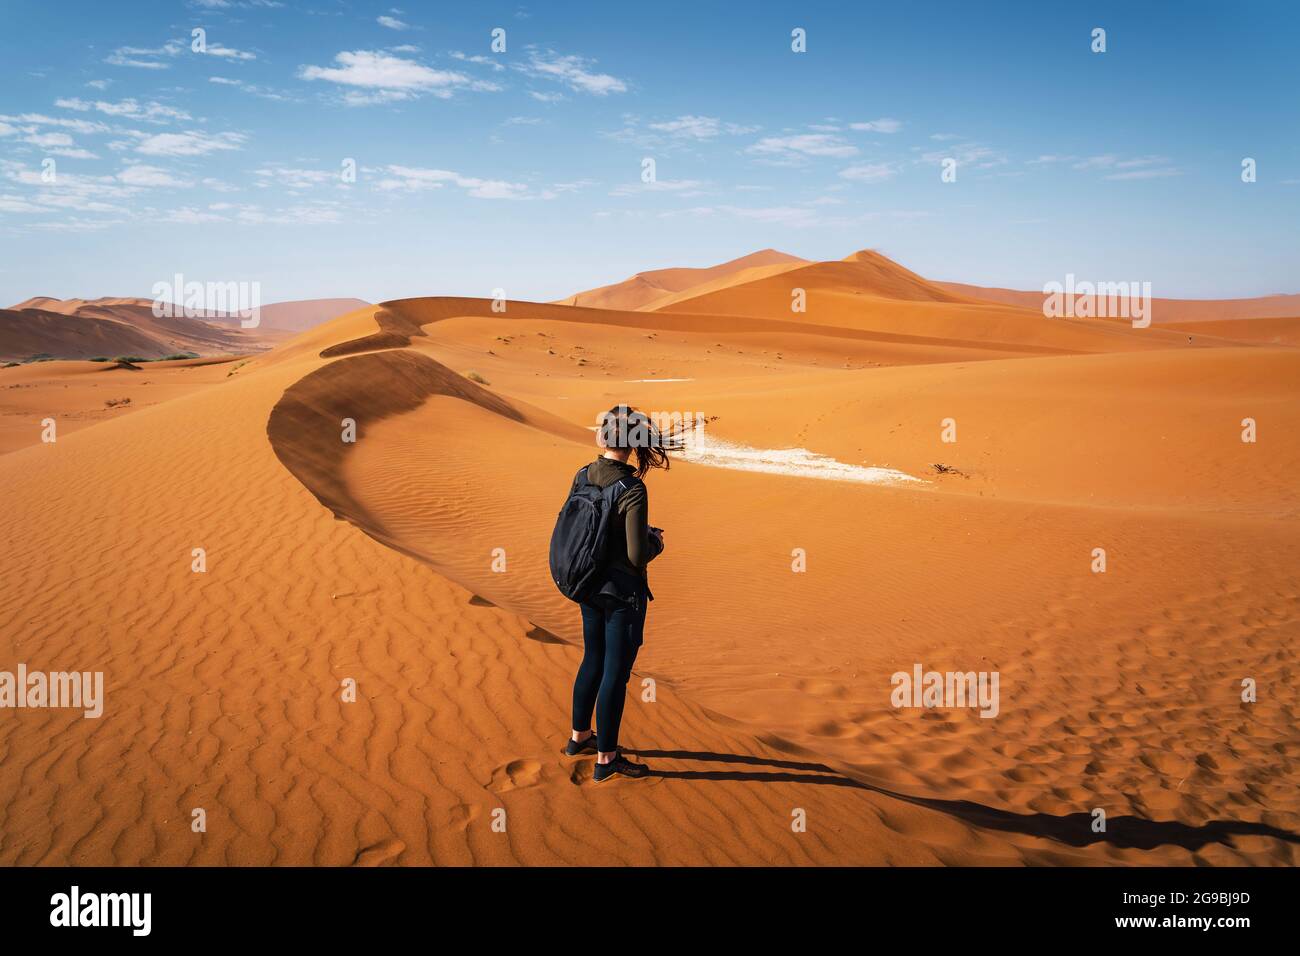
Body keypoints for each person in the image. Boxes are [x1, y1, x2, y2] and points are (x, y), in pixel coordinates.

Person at [565, 405, 671, 782]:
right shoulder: (632, 488)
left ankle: (579, 737)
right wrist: (655, 542)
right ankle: (607, 759)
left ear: (603, 438)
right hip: (621, 593)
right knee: (615, 673)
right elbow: (636, 554)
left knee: (592, 657)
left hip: (587, 583)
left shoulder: (582, 474)